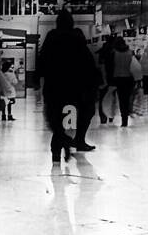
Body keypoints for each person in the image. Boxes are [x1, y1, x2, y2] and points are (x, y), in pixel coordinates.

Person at [39, 11, 99, 163]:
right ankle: (75, 140)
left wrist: (36, 79)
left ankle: (58, 150)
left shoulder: (51, 37)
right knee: (83, 113)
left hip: (54, 86)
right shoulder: (77, 36)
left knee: (55, 119)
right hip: (74, 87)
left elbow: (42, 59)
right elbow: (88, 61)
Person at [109, 36, 139, 128]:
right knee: (126, 99)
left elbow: (111, 67)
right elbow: (135, 66)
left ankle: (117, 117)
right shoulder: (130, 53)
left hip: (117, 78)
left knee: (120, 99)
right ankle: (125, 120)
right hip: (129, 78)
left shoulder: (113, 53)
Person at [0, 57, 19, 121]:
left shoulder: (1, 74)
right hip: (10, 92)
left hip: (3, 91)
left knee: (3, 104)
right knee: (9, 104)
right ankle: (9, 115)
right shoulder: (11, 74)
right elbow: (15, 82)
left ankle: (3, 115)